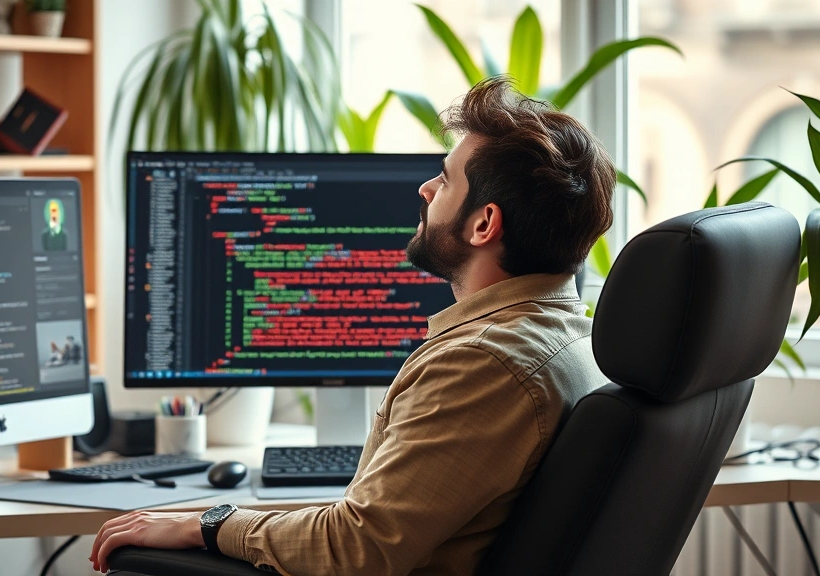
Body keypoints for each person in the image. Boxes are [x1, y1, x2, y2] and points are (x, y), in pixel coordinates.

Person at [90, 76, 616, 576]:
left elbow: (355, 550)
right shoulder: (563, 334)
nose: (426, 189)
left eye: (447, 178)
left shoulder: (483, 363)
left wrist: (210, 525)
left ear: (484, 223)